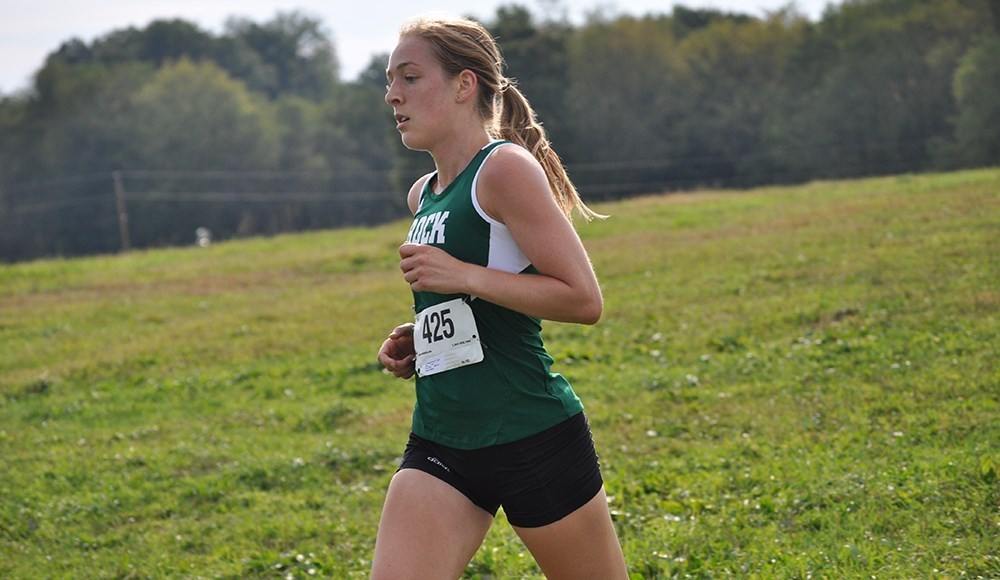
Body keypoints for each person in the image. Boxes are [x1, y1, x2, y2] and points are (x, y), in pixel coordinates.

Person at [373, 15, 628, 579]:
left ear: (465, 85)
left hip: (530, 435)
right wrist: (425, 333)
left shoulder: (505, 169)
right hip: (442, 438)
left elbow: (583, 300)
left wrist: (461, 276)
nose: (393, 95)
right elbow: (478, 297)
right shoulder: (425, 194)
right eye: (389, 80)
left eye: (410, 78)